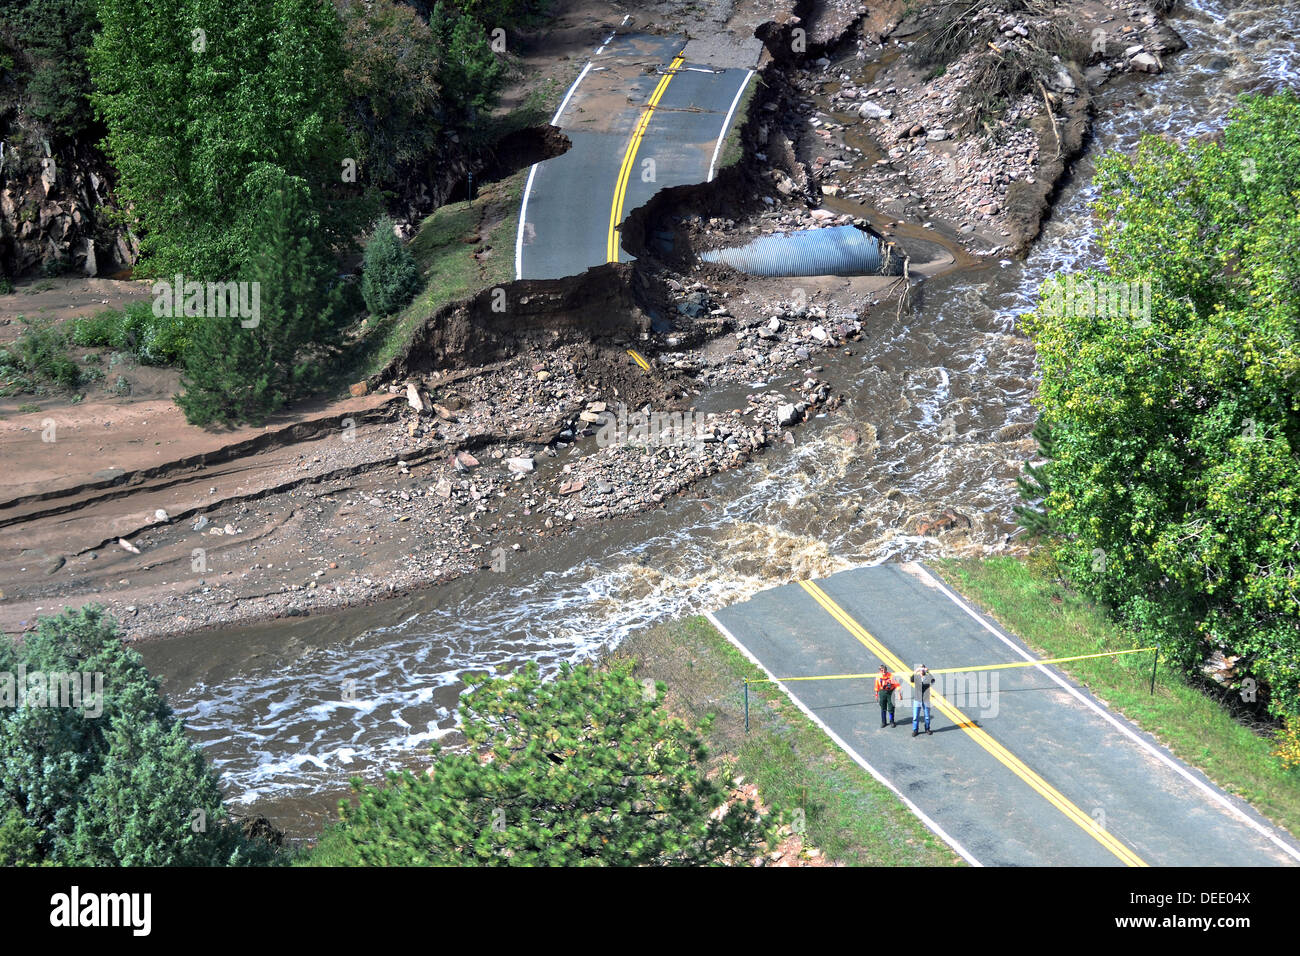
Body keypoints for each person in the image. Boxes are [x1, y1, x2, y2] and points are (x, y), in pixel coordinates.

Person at [910, 664, 935, 737]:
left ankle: (927, 728)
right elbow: (911, 680)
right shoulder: (917, 677)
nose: (922, 670)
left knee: (927, 716)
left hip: (926, 699)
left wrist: (928, 672)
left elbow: (933, 681)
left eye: (923, 669)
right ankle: (915, 730)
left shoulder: (927, 677)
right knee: (915, 717)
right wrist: (915, 671)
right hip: (917, 699)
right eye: (920, 669)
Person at [874, 664, 899, 728]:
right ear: (880, 670)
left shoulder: (891, 676)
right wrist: (876, 695)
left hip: (890, 692)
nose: (883, 671)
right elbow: (877, 686)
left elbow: (896, 685)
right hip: (882, 692)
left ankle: (892, 721)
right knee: (883, 708)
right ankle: (883, 722)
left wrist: (899, 694)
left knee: (891, 707)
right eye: (882, 670)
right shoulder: (878, 677)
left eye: (884, 669)